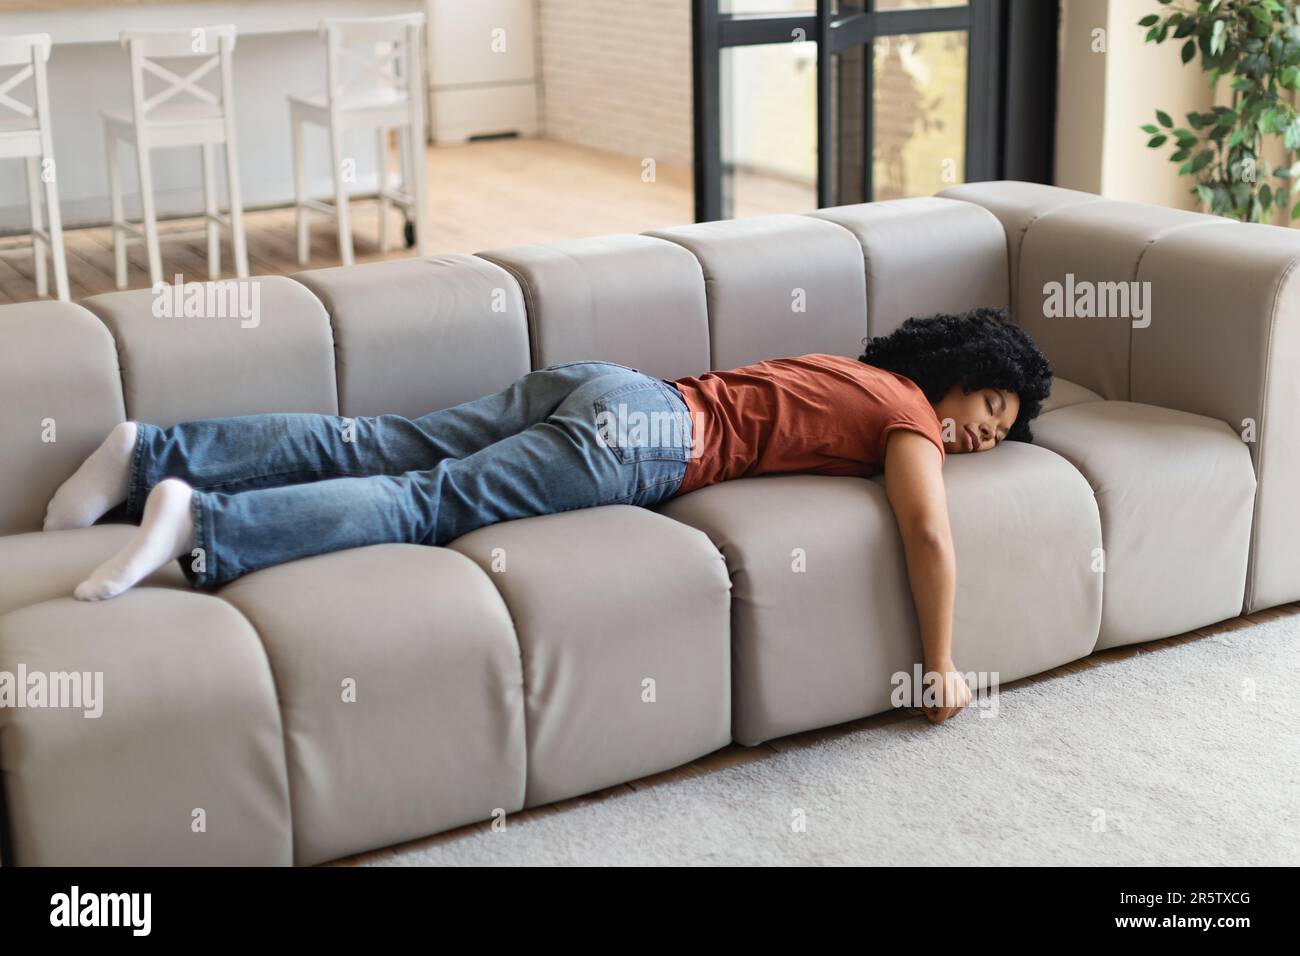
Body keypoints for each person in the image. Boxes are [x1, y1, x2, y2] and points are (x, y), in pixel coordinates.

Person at [44, 306, 1051, 723]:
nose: (980, 435)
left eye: (1001, 434)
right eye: (990, 408)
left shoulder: (852, 371)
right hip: (651, 440)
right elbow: (926, 532)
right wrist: (943, 666)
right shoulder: (909, 415)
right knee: (428, 501)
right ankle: (205, 523)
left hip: (609, 385)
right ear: (957, 378)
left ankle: (154, 449)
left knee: (385, 441)